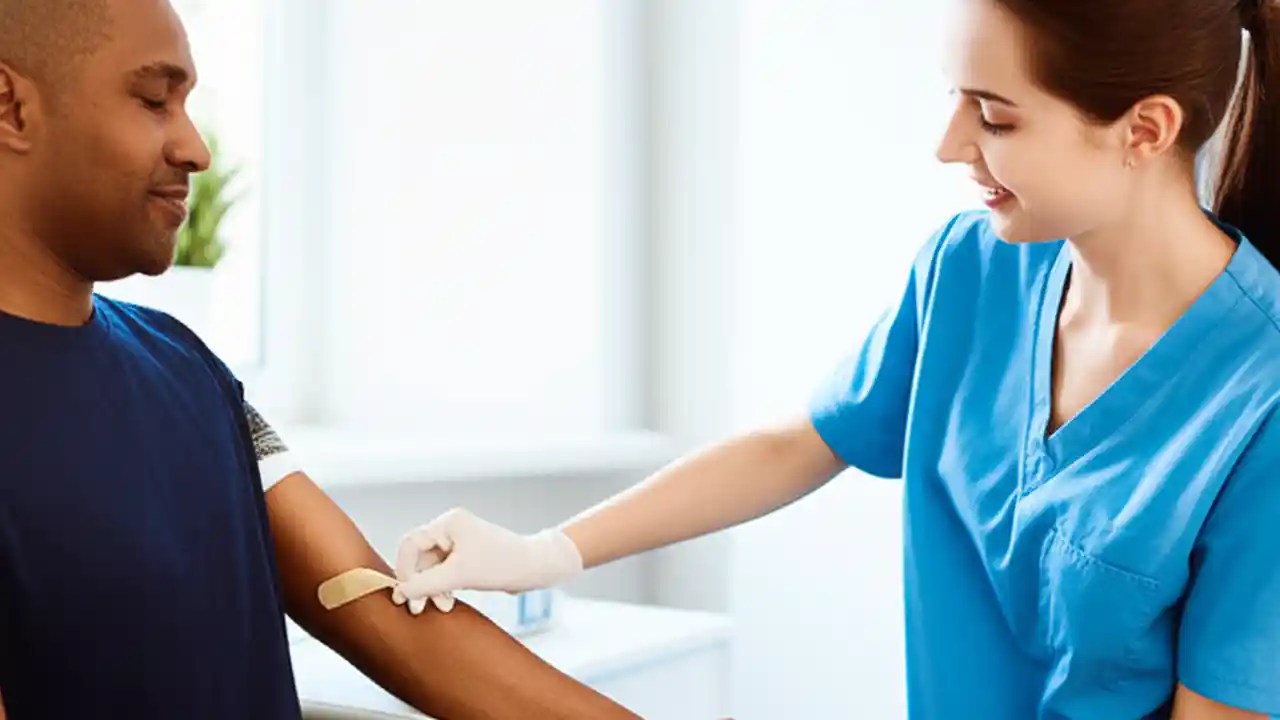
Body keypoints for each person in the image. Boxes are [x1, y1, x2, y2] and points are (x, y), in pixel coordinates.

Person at [394, 0, 1280, 718]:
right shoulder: (969, 271)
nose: (950, 145)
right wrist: (546, 551)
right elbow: (799, 443)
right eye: (957, 97)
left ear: (1145, 129)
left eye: (996, 116)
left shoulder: (1262, 392)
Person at [0, 0, 642, 718]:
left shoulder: (188, 370)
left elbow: (377, 608)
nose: (196, 149)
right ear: (11, 108)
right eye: (154, 100)